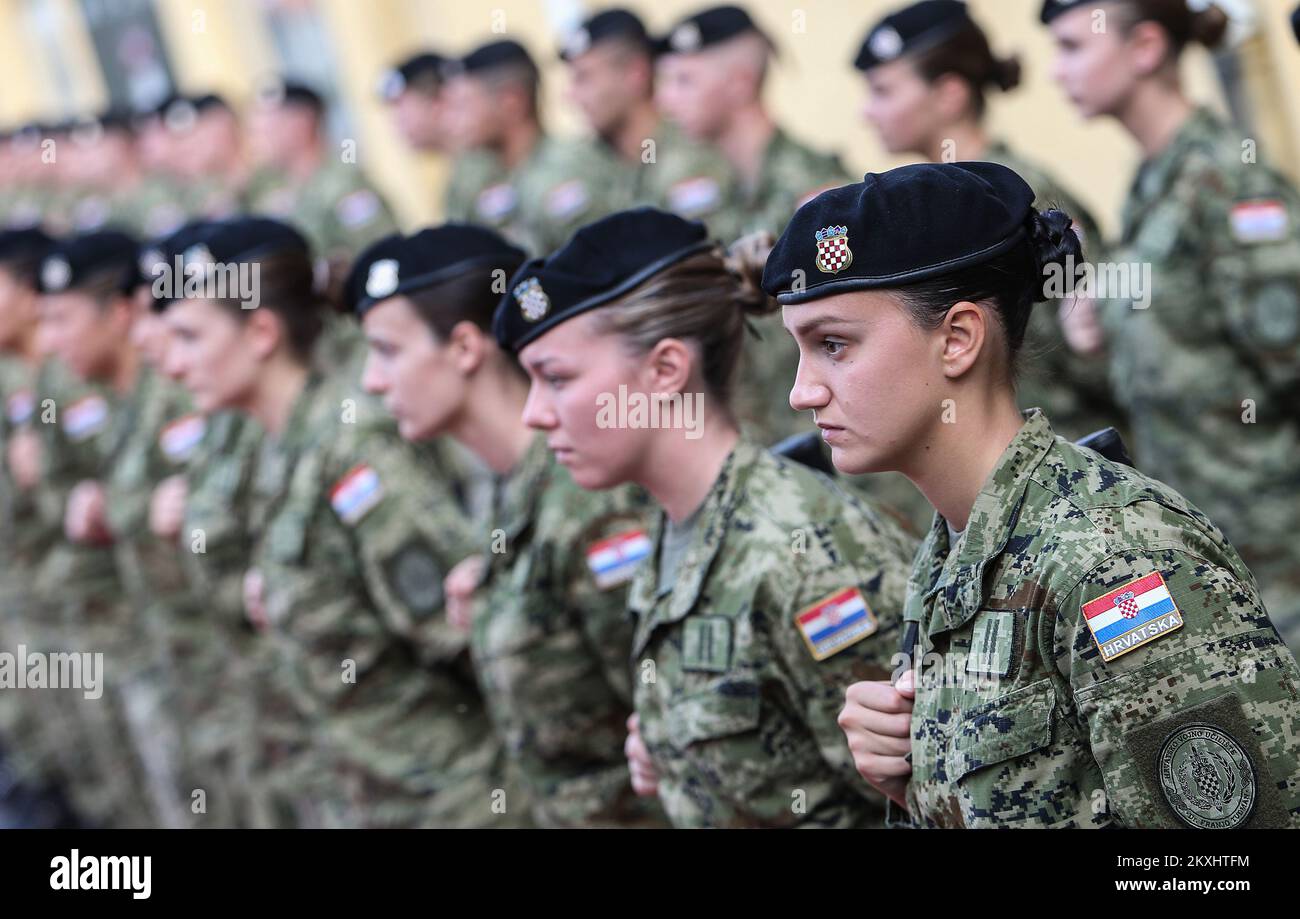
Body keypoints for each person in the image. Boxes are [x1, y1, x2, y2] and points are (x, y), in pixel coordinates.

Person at [764, 161, 1300, 828]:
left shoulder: (1113, 559)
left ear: (957, 339)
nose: (801, 390)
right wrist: (915, 787)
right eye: (800, 349)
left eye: (834, 345)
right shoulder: (954, 554)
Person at [493, 207, 916, 828]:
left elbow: (920, 805)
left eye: (556, 378)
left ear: (666, 371)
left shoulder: (805, 552)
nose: (534, 413)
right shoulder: (677, 531)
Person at [159, 216, 500, 828]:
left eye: (189, 337)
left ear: (261, 331)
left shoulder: (350, 451)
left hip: (445, 800)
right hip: (362, 796)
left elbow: (465, 639)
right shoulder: (274, 445)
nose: (174, 364)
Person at [348, 224, 665, 827]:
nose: (371, 380)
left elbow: (660, 717)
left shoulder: (586, 498)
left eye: (388, 351)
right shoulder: (513, 494)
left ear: (466, 348)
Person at [1043, 0, 1300, 651]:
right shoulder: (1152, 185)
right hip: (1217, 557)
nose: (1055, 72)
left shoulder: (1225, 179)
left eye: (1072, 46)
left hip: (1282, 559)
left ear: (1146, 47)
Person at [853, 0, 1119, 445]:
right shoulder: (935, 205)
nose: (867, 112)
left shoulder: (1017, 196)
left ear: (949, 95)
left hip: (1065, 465)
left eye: (884, 92)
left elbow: (1090, 347)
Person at [33, 229, 160, 827]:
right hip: (125, 640)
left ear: (118, 314)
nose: (51, 340)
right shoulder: (69, 390)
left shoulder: (178, 398)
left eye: (62, 319)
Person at [440, 38, 623, 255]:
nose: (450, 120)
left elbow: (604, 259)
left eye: (464, 105)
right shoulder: (482, 176)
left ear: (512, 102)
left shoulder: (567, 168)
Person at [559, 8, 730, 222]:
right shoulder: (585, 163)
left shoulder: (693, 154)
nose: (570, 96)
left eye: (584, 78)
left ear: (636, 74)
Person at [245, 79, 399, 264]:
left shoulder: (345, 185)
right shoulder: (274, 192)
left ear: (302, 123)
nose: (256, 140)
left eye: (267, 129)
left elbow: (382, 254)